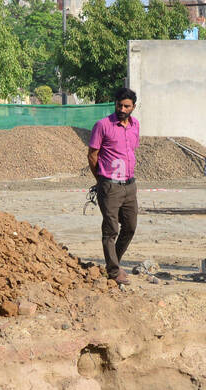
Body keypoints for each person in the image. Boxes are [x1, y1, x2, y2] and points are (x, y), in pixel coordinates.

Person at [87, 87, 140, 285]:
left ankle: (113, 262)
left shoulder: (135, 126)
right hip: (109, 185)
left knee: (130, 227)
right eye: (119, 105)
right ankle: (114, 270)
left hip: (129, 185)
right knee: (110, 230)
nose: (122, 109)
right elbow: (92, 155)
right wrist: (100, 180)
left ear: (134, 107)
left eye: (127, 106)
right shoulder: (102, 125)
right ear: (115, 104)